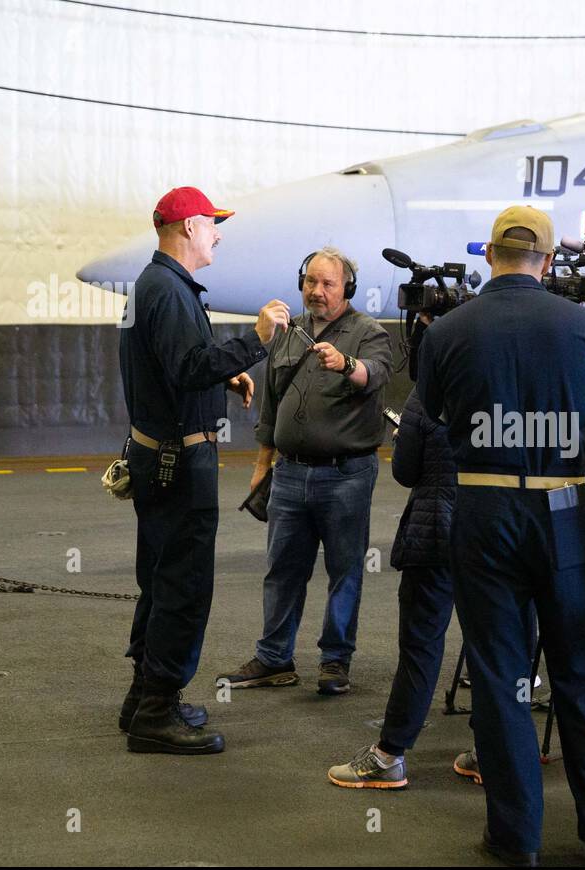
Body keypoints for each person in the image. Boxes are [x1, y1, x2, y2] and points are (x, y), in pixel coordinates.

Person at [418, 205, 585, 866]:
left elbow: (436, 420)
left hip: (483, 510)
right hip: (562, 508)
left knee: (499, 680)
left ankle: (514, 836)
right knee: (583, 673)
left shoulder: (446, 332)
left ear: (489, 255)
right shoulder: (581, 326)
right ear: (549, 262)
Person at [118, 186, 285, 755]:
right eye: (212, 223)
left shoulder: (156, 285)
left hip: (158, 455)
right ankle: (157, 713)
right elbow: (188, 366)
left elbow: (176, 370)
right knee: (183, 587)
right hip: (178, 462)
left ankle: (144, 696)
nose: (217, 232)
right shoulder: (167, 289)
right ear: (189, 227)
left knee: (161, 579)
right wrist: (256, 343)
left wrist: (222, 375)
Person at [217, 247, 392, 696]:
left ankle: (335, 661)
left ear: (346, 288)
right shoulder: (288, 332)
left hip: (346, 475)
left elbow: (375, 374)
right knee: (281, 570)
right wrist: (261, 465)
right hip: (289, 474)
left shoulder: (369, 333)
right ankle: (275, 658)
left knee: (345, 570)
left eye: (328, 284)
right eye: (311, 282)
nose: (317, 291)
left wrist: (345, 365)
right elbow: (272, 404)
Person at [326, 314, 461, 788]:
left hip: (434, 535)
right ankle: (492, 749)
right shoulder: (503, 388)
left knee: (421, 649)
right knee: (498, 647)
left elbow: (406, 473)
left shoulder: (427, 397)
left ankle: (388, 756)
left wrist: (407, 437)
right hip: (494, 531)